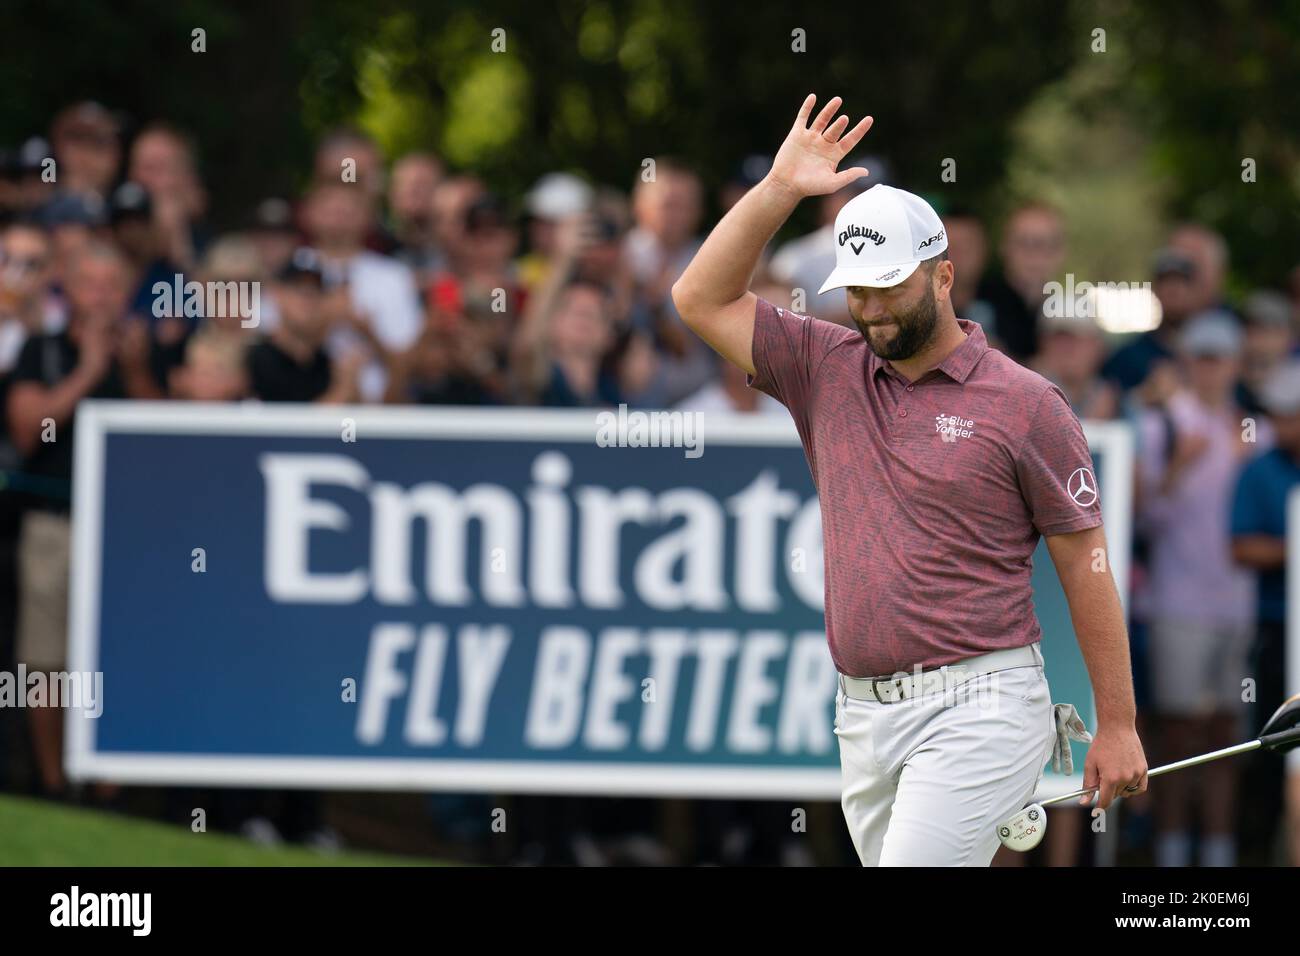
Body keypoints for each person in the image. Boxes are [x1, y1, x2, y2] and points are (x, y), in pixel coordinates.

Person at [671, 93, 1146, 866]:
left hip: (983, 705)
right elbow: (699, 297)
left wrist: (1118, 722)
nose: (871, 310)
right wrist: (781, 191)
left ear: (943, 274)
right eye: (856, 290)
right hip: (862, 716)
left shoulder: (1027, 405)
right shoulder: (824, 366)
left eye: (889, 286)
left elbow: (1085, 566)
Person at [6, 242, 158, 796]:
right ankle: (54, 783)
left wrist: (134, 369)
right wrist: (90, 370)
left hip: (125, 532)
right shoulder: (39, 350)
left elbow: (167, 440)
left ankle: (108, 786)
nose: (100, 297)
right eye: (88, 284)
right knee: (46, 662)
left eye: (111, 286)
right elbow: (29, 429)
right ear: (66, 291)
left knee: (117, 657)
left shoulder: (141, 355)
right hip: (55, 525)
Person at [1137, 313, 1268, 866]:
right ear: (1187, 361)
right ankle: (1171, 851)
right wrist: (1177, 471)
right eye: (1202, 357)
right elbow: (1139, 520)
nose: (1211, 369)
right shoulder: (1161, 425)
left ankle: (1216, 852)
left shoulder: (1250, 429)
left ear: (1235, 364)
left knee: (1227, 735)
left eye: (1221, 358)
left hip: (1236, 607)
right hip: (1178, 605)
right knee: (1178, 733)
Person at [1229, 360, 1300, 864]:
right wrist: (1296, 546)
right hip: (1280, 631)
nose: (1282, 424)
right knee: (1276, 744)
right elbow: (1239, 548)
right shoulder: (1259, 470)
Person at [976, 202, 1066, 364]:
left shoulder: (1068, 314)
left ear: (1060, 252)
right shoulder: (974, 306)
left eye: (1043, 244)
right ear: (1004, 248)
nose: (1034, 255)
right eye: (1024, 243)